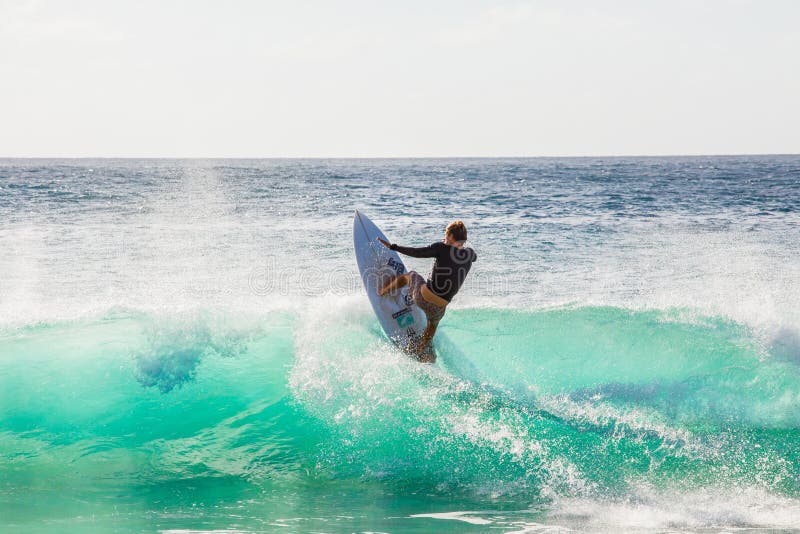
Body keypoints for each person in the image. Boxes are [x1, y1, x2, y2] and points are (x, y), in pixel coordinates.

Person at [377, 220, 477, 360]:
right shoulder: (470, 255)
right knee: (431, 325)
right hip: (440, 309)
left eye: (446, 235)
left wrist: (394, 247)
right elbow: (474, 256)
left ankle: (382, 290)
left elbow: (418, 252)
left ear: (450, 237)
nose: (444, 238)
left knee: (410, 275)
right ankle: (421, 351)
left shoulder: (441, 248)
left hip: (423, 298)